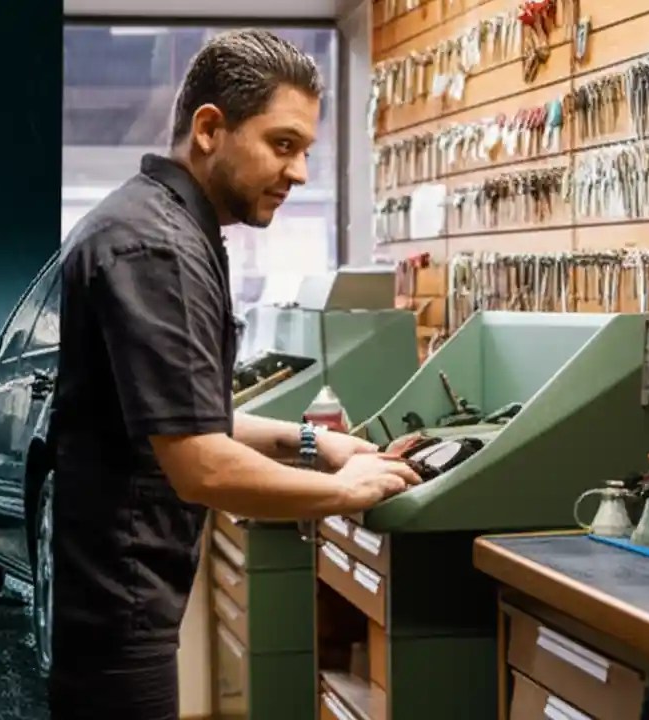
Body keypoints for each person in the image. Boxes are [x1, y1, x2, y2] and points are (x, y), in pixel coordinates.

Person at [46, 29, 423, 719]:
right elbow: (201, 465)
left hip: (118, 611)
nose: (301, 172)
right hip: (119, 621)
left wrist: (314, 444)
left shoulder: (168, 227)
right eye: (282, 145)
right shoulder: (155, 246)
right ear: (210, 128)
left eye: (307, 151)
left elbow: (184, 415)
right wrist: (343, 491)